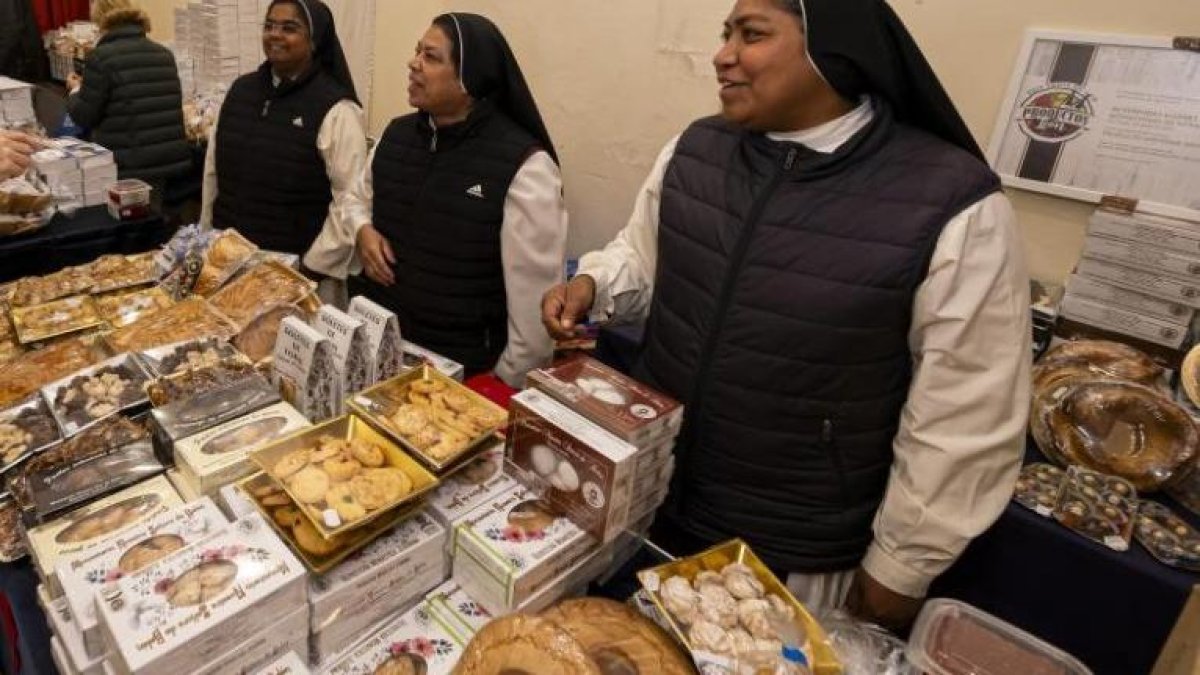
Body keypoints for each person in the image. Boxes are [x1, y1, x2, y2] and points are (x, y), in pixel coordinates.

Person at [542, 0, 1030, 631]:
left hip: (791, 547)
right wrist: (592, 284)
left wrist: (903, 566)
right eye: (726, 34)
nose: (722, 55)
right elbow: (642, 257)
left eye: (751, 35)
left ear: (832, 49)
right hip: (651, 498)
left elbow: (965, 414)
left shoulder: (954, 206)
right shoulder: (695, 150)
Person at [337, 13, 567, 387]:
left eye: (430, 57)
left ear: (469, 79)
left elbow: (534, 313)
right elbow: (354, 199)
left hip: (463, 375)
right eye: (417, 52)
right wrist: (362, 229)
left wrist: (502, 385)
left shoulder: (526, 167)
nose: (413, 63)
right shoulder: (396, 136)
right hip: (379, 352)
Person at [201, 0, 368, 286]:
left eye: (289, 28)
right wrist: (207, 238)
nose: (275, 35)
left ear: (314, 41)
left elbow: (350, 199)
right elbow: (212, 172)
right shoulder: (240, 91)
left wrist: (310, 268)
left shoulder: (337, 109)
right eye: (269, 26)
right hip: (226, 265)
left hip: (297, 277)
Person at [65, 0, 190, 185]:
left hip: (126, 166)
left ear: (100, 21)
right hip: (167, 161)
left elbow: (83, 116)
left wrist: (75, 90)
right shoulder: (164, 54)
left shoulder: (101, 58)